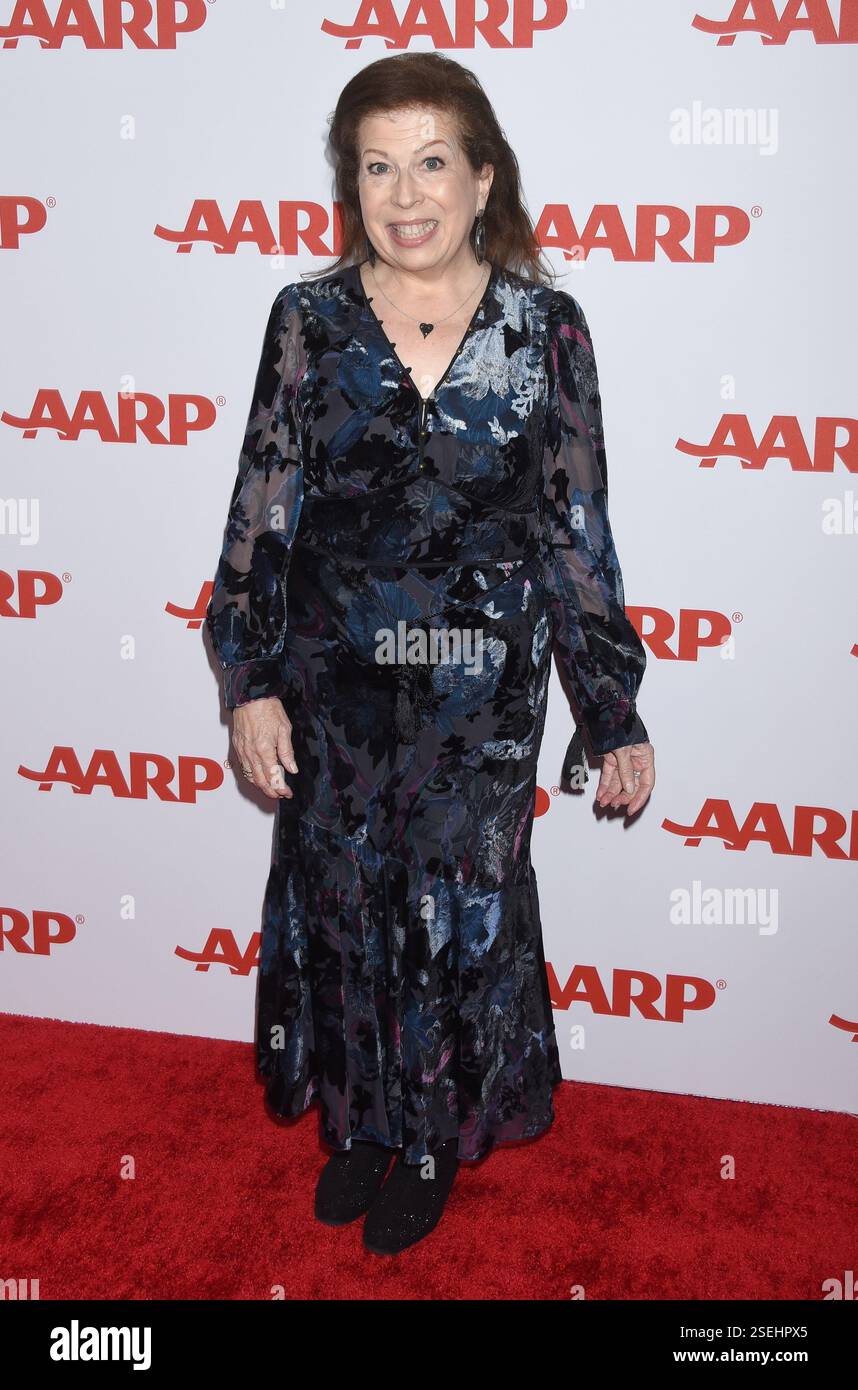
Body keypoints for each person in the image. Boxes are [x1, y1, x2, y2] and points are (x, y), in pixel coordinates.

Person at [205, 50, 655, 1257]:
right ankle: (359, 1121)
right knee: (344, 897)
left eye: (433, 163)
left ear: (483, 176)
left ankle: (430, 1136)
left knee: (456, 912)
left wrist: (610, 708)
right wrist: (249, 680)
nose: (407, 196)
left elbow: (576, 529)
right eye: (378, 168)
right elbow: (262, 509)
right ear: (350, 185)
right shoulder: (306, 320)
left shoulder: (545, 328)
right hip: (332, 680)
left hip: (481, 691)